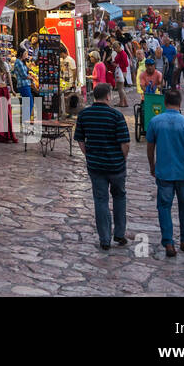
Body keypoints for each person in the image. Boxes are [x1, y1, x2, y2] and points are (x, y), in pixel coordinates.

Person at [145, 89, 184, 256]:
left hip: (164, 171)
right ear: (180, 103)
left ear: (165, 103)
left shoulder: (155, 122)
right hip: (183, 172)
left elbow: (150, 148)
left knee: (164, 207)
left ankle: (169, 242)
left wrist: (152, 165)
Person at [73, 83, 130, 250]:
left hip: (96, 165)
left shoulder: (84, 115)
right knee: (119, 197)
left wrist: (88, 155)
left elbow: (80, 140)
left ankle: (104, 238)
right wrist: (122, 158)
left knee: (100, 200)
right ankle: (119, 232)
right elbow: (125, 143)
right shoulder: (116, 116)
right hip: (116, 165)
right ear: (108, 96)